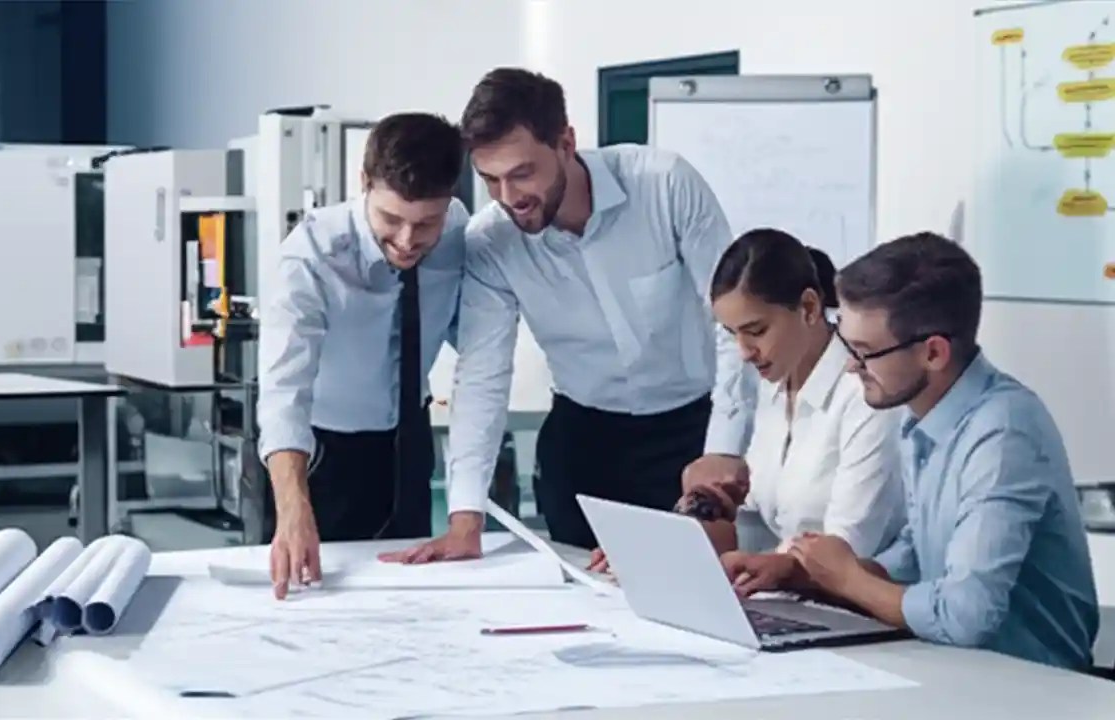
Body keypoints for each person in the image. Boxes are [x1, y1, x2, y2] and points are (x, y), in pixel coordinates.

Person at [381, 67, 756, 563]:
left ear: (566, 143)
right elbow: (482, 372)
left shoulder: (664, 186)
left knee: (692, 586)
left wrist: (724, 446)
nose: (509, 197)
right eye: (490, 179)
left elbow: (733, 324)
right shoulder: (493, 241)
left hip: (690, 436)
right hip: (583, 443)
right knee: (583, 592)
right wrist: (465, 518)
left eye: (522, 173)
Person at [788, 232, 1099, 671]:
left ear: (933, 353)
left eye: (865, 353)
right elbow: (919, 553)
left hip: (1033, 685)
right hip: (954, 671)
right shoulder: (921, 416)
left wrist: (850, 580)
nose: (851, 366)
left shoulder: (1004, 432)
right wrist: (808, 575)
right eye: (848, 346)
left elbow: (965, 616)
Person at [588, 229, 906, 597]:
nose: (743, 351)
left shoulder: (866, 395)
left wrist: (765, 565)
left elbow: (846, 550)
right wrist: (657, 547)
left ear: (808, 307)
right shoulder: (774, 382)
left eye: (756, 330)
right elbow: (752, 521)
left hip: (862, 605)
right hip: (791, 599)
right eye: (732, 333)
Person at [245, 112, 469, 598]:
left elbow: (471, 337)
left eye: (425, 223)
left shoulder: (457, 232)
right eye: (391, 219)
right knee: (312, 593)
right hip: (319, 454)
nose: (407, 241)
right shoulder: (311, 254)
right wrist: (293, 508)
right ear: (364, 182)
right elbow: (284, 390)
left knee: (410, 591)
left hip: (409, 442)